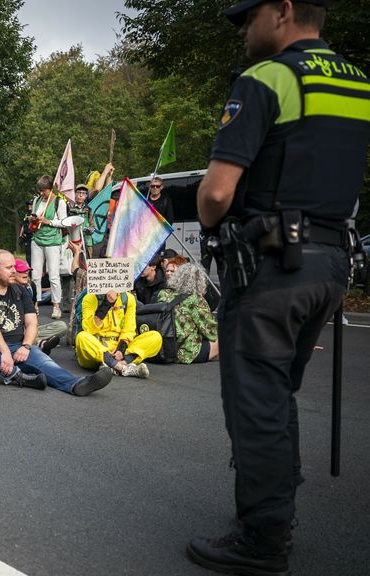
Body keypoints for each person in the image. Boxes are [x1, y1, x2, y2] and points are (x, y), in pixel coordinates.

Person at [188, 3, 369, 573]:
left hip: (271, 267)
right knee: (276, 394)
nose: (242, 29)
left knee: (256, 404)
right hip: (330, 264)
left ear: (284, 10)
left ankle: (263, 540)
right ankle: (275, 507)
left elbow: (217, 194)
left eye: (247, 16)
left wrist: (210, 218)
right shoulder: (357, 81)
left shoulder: (268, 78)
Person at [0, 250, 113, 395]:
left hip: (16, 347)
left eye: (14, 267)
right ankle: (16, 376)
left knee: (46, 363)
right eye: (9, 267)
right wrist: (4, 352)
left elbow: (32, 322)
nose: (14, 271)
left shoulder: (20, 290)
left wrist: (26, 346)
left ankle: (76, 384)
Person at [74, 289, 161, 378]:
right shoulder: (90, 297)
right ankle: (124, 368)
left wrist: (121, 349)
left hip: (118, 348)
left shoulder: (128, 298)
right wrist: (106, 304)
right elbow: (89, 329)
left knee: (155, 337)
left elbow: (129, 329)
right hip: (97, 348)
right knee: (82, 337)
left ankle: (115, 365)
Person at [156, 263, 219, 364]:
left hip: (163, 349)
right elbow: (211, 332)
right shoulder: (195, 299)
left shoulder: (163, 293)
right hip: (185, 352)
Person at [29, 175, 67, 320]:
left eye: (44, 190)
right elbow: (34, 216)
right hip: (37, 240)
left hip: (53, 241)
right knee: (36, 275)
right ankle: (35, 304)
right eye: (40, 190)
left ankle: (56, 306)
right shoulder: (37, 200)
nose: (41, 193)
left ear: (51, 189)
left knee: (53, 275)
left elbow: (63, 222)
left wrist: (48, 221)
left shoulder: (59, 202)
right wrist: (33, 219)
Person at [13, 258, 64, 354]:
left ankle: (35, 340)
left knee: (62, 326)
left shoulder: (31, 286)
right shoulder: (9, 289)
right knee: (21, 333)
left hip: (30, 326)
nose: (26, 273)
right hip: (15, 329)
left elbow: (33, 311)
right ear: (13, 272)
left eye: (27, 270)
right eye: (22, 271)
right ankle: (41, 343)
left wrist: (33, 328)